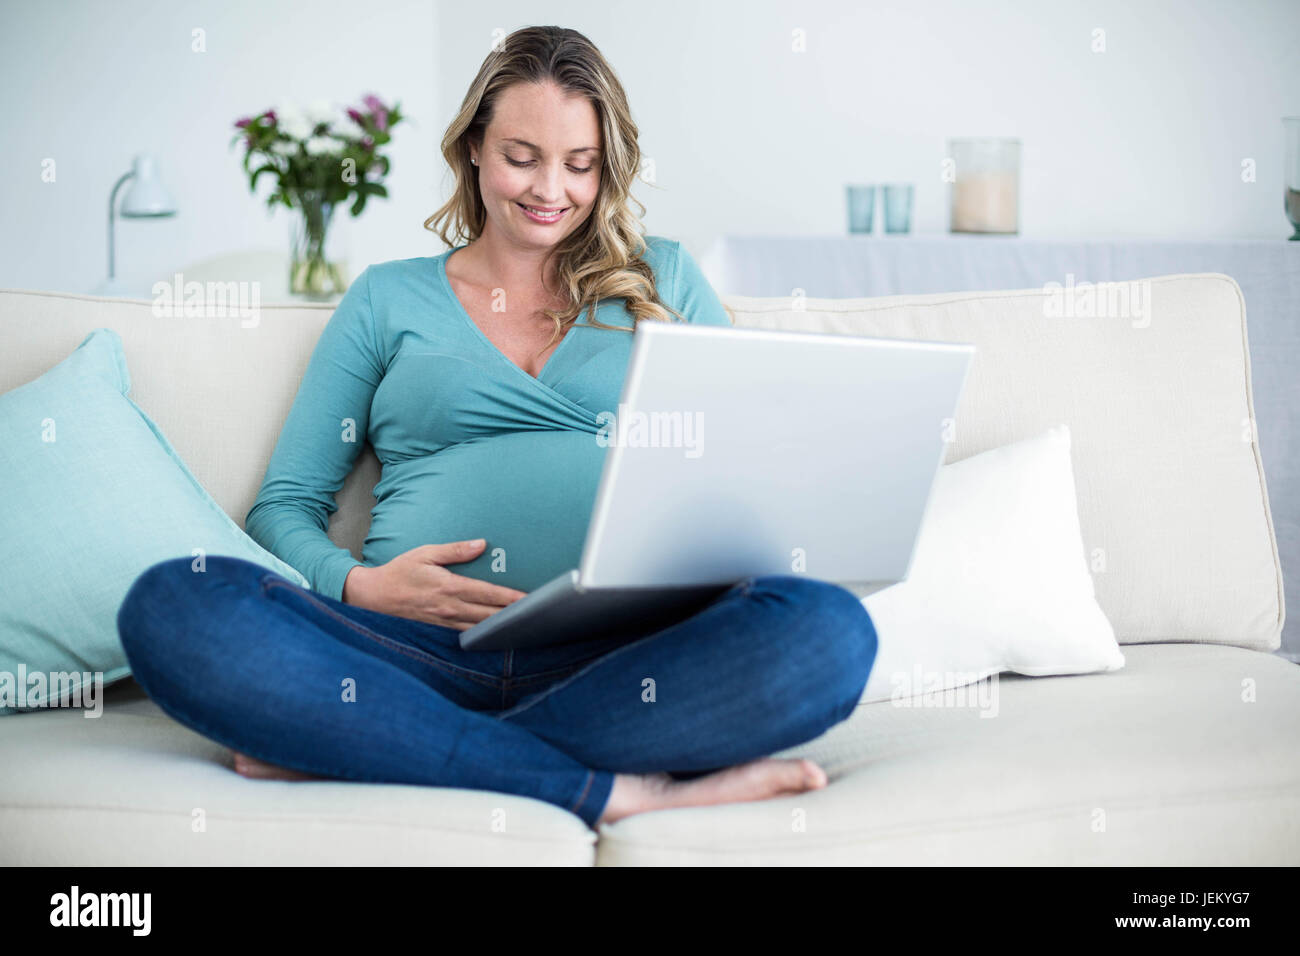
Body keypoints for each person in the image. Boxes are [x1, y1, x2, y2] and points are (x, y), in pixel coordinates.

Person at [117, 25, 876, 829]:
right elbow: (284, 505)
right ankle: (608, 788)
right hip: (401, 655)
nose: (551, 188)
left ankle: (375, 750)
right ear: (473, 148)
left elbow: (747, 480)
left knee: (828, 632)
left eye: (580, 164)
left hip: (628, 661)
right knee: (176, 600)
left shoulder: (666, 278)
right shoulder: (385, 298)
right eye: (522, 156)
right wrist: (360, 585)